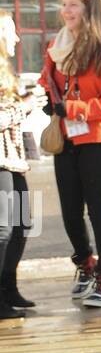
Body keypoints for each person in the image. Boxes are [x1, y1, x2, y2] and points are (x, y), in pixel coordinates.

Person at [39, 0, 101, 306]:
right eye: (64, 4)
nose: (66, 11)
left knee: (97, 211)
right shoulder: (56, 46)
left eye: (73, 5)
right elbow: (46, 82)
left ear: (89, 8)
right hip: (67, 139)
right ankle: (85, 265)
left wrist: (76, 109)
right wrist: (48, 101)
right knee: (69, 212)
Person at [0, 17, 42, 319]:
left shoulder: (6, 70)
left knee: (22, 224)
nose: (17, 38)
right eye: (10, 32)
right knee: (2, 229)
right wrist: (24, 105)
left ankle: (8, 289)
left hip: (12, 160)